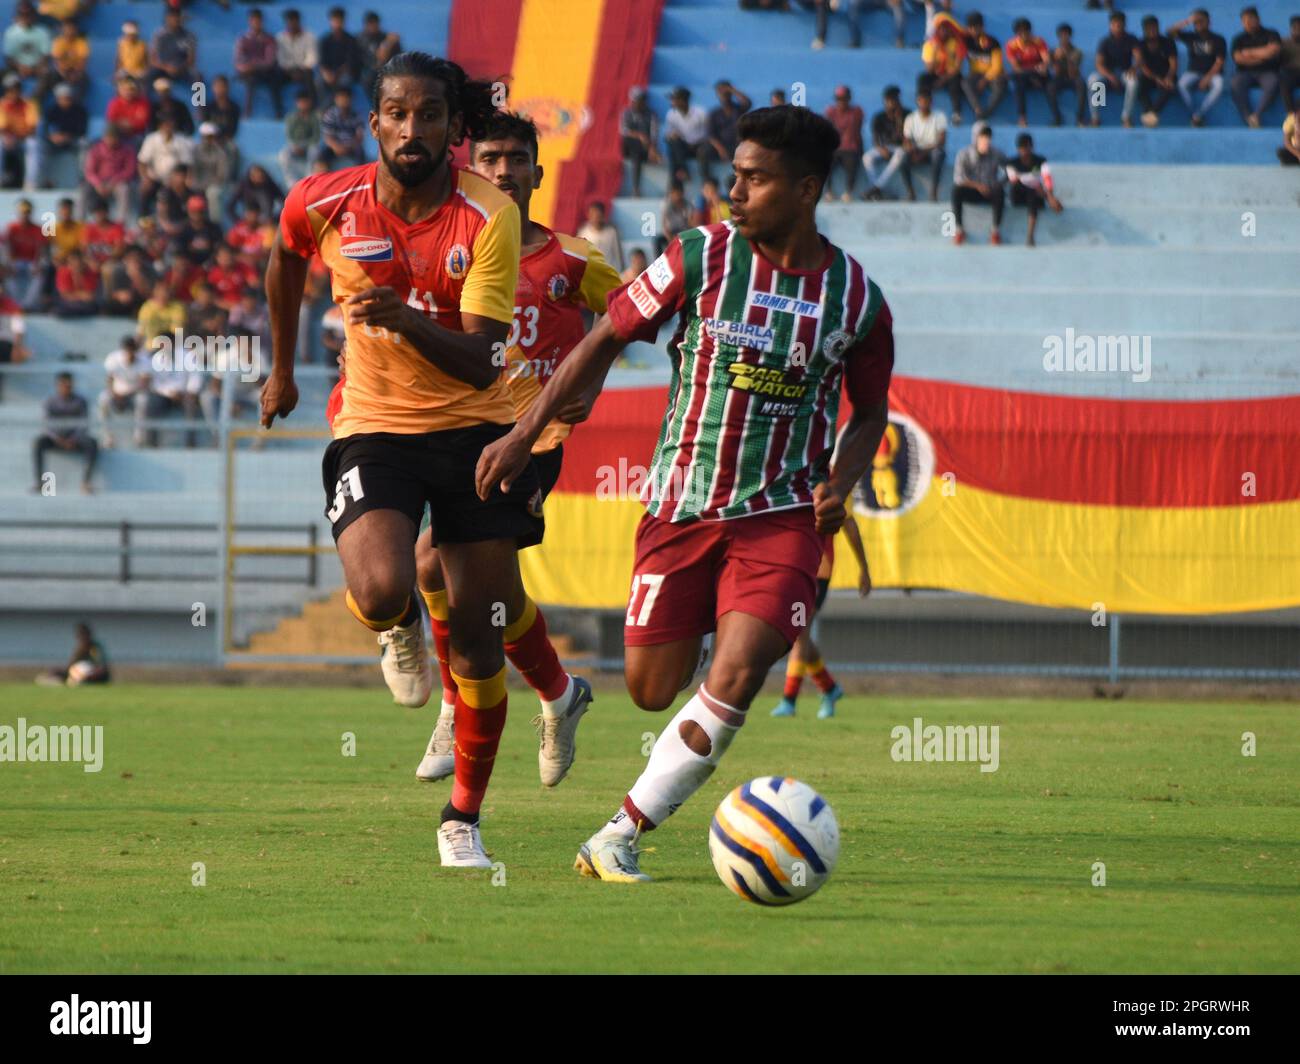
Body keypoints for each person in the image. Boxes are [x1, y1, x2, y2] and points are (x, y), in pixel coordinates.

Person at [474, 105, 894, 884]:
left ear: (805, 190)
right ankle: (713, 619)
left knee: (732, 679)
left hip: (781, 517)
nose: (732, 188)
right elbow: (604, 335)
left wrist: (841, 481)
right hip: (680, 506)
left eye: (753, 177)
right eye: (732, 172)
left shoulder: (856, 301)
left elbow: (870, 414)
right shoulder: (698, 255)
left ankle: (617, 835)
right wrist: (525, 432)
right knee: (650, 689)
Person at [261, 53, 547, 869]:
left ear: (456, 131)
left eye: (430, 116)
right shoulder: (323, 201)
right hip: (375, 426)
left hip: (477, 433)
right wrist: (282, 370)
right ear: (374, 121)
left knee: (483, 642)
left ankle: (463, 818)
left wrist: (402, 318)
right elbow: (284, 257)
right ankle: (397, 627)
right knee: (384, 586)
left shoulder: (488, 216)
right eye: (397, 113)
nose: (412, 129)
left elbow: (484, 358)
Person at [408, 111, 620, 788]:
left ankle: (456, 703)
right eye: (490, 159)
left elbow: (625, 318)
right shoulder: (460, 248)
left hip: (535, 435)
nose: (503, 171)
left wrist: (588, 384)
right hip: (465, 429)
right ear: (475, 169)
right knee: (475, 583)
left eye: (515, 159)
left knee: (437, 564)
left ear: (537, 171)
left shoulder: (574, 257)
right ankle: (559, 693)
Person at [770, 522, 871, 718]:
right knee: (800, 634)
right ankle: (829, 688)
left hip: (817, 574)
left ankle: (789, 700)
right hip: (795, 571)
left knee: (800, 632)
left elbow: (851, 527)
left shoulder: (836, 492)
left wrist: (864, 569)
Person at [33, 371, 96, 492]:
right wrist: (58, 438)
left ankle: (86, 482)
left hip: (75, 439)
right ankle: (39, 482)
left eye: (69, 385)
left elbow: (84, 424)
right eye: (64, 385)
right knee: (38, 442)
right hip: (55, 439)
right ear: (58, 385)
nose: (67, 388)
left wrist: (74, 438)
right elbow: (46, 425)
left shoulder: (80, 401)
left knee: (92, 443)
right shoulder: (50, 401)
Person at [1169, 9, 1227, 126]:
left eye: (1201, 21)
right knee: (1181, 85)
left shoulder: (1218, 39)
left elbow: (1220, 61)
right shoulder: (1190, 36)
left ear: (1208, 22)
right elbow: (1170, 32)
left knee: (1219, 85)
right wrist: (1188, 21)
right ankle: (1195, 113)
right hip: (1193, 72)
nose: (1198, 24)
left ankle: (1199, 114)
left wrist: (1207, 78)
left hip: (1213, 73)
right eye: (1196, 22)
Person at [951, 121, 1005, 245]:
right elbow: (958, 178)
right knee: (956, 190)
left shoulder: (997, 154)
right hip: (972, 191)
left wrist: (997, 183)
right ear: (975, 137)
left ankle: (995, 230)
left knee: (1000, 191)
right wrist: (978, 186)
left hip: (989, 191)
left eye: (988, 136)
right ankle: (959, 229)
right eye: (982, 136)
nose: (985, 139)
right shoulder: (963, 154)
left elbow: (1007, 172)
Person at [1005, 132, 1064, 246]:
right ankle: (1030, 236)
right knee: (1031, 190)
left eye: (1028, 147)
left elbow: (1047, 178)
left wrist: (1050, 196)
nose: (1025, 151)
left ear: (1032, 147)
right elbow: (1014, 180)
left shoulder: (1040, 161)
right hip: (1018, 196)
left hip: (1037, 196)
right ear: (1018, 149)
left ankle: (1030, 235)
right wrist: (1038, 187)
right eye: (1022, 148)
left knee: (1033, 194)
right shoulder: (1012, 163)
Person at [1230, 6, 1282, 128]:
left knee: (1274, 83)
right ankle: (1248, 117)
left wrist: (1248, 52)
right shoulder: (1238, 38)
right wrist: (1262, 57)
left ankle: (1256, 115)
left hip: (1268, 72)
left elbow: (1273, 51)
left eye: (1250, 19)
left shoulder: (1271, 33)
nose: (1247, 23)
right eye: (1244, 21)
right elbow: (1238, 58)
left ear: (1258, 19)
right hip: (1245, 73)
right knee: (1235, 84)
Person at [1089, 10, 1142, 127]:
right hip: (1107, 74)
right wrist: (1110, 77)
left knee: (1133, 83)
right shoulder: (1105, 41)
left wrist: (1134, 68)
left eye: (1120, 24)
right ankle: (1095, 117)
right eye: (1114, 24)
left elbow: (1138, 58)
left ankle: (1126, 117)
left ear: (1124, 24)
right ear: (1110, 25)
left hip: (1125, 72)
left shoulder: (1131, 39)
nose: (1117, 27)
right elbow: (1099, 64)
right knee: (1094, 81)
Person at [98, 334, 151, 447]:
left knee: (142, 400)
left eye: (132, 350)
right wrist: (114, 392)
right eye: (127, 350)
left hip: (134, 391)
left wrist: (129, 393)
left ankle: (139, 437)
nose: (129, 353)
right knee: (103, 399)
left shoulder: (143, 359)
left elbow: (144, 382)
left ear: (135, 350)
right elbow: (110, 379)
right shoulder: (113, 358)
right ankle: (108, 436)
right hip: (116, 391)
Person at [901, 87, 947, 201]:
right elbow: (906, 140)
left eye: (927, 101)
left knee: (938, 155)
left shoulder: (940, 116)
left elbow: (941, 141)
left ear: (931, 102)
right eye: (921, 100)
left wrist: (923, 153)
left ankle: (934, 193)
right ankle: (910, 192)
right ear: (917, 101)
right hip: (917, 150)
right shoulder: (911, 118)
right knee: (903, 159)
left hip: (932, 150)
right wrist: (911, 149)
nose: (924, 103)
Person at [234, 7, 281, 119]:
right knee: (250, 80)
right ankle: (247, 112)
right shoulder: (242, 39)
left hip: (265, 72)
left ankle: (278, 112)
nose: (256, 23)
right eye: (254, 21)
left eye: (258, 21)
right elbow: (238, 60)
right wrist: (245, 67)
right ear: (250, 21)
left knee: (276, 79)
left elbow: (269, 61)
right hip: (248, 73)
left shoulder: (269, 39)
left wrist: (252, 65)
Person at [921, 10, 968, 124]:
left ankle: (957, 113)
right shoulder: (930, 45)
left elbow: (958, 67)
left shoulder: (957, 43)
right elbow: (929, 69)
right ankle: (924, 108)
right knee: (922, 79)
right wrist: (935, 51)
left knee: (956, 81)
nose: (944, 32)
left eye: (946, 29)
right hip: (936, 74)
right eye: (941, 29)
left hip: (951, 75)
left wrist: (943, 79)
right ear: (937, 30)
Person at [862, 84, 908, 199]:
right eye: (889, 100)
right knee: (867, 157)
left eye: (894, 100)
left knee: (900, 154)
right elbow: (875, 138)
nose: (892, 103)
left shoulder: (907, 114)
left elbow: (906, 138)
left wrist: (899, 119)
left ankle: (876, 187)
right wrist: (880, 148)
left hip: (900, 148)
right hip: (884, 147)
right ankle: (877, 189)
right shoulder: (879, 117)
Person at [1005, 18, 1052, 127]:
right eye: (1021, 32)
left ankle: (1056, 117)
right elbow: (1016, 67)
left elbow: (1046, 60)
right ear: (1017, 34)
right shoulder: (1011, 45)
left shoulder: (1039, 42)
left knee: (1050, 83)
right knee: (1017, 83)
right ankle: (1022, 117)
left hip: (1039, 75)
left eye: (1027, 31)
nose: (1024, 35)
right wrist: (1031, 74)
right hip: (1023, 76)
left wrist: (1043, 67)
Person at [962, 12, 1007, 122]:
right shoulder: (965, 41)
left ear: (982, 27)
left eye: (976, 27)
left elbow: (997, 67)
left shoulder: (993, 42)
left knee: (1000, 87)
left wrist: (985, 80)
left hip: (993, 75)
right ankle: (977, 110)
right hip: (975, 74)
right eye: (971, 28)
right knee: (965, 83)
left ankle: (987, 112)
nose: (973, 31)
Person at [1137, 15, 1178, 127]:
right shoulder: (1140, 44)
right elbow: (1142, 66)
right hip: (1150, 76)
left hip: (1166, 74)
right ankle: (1148, 111)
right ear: (1144, 30)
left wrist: (1168, 77)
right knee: (1139, 86)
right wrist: (1156, 78)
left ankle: (1153, 112)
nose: (1152, 31)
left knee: (1169, 87)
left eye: (1154, 28)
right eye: (1149, 28)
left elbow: (1173, 64)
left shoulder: (1168, 42)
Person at [664, 86, 712, 183]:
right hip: (683, 146)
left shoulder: (700, 112)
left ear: (683, 100)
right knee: (672, 144)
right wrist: (671, 135)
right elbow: (669, 134)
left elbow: (709, 133)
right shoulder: (671, 114)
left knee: (704, 151)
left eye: (674, 99)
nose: (672, 102)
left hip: (700, 144)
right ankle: (682, 174)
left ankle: (706, 181)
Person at [824, 84, 864, 201]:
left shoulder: (856, 112)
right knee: (825, 165)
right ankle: (829, 192)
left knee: (852, 166)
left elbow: (857, 130)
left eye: (844, 98)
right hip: (835, 148)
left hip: (850, 148)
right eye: (838, 99)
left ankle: (848, 192)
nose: (841, 101)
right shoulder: (831, 112)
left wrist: (861, 150)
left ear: (849, 98)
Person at [37, 623, 110, 685]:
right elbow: (70, 667)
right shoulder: (79, 650)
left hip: (95, 678)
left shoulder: (95, 648)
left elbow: (102, 669)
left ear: (89, 635)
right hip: (79, 677)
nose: (82, 639)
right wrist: (58, 671)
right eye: (80, 636)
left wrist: (87, 675)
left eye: (84, 636)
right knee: (59, 674)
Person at [0, 74, 39, 189]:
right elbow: (2, 127)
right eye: (10, 89)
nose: (13, 92)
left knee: (33, 144)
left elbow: (32, 128)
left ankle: (30, 182)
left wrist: (17, 137)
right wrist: (9, 138)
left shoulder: (28, 104)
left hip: (23, 139)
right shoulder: (2, 104)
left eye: (16, 89)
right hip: (6, 140)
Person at [316, 7, 362, 106]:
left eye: (340, 21)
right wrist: (326, 73)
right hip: (329, 73)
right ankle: (324, 109)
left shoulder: (351, 40)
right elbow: (321, 61)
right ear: (330, 22)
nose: (337, 24)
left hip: (344, 72)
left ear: (344, 22)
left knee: (345, 81)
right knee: (319, 81)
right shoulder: (325, 40)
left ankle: (342, 108)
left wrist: (337, 74)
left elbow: (351, 61)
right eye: (335, 21)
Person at [707, 80, 752, 178]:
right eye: (720, 92)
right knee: (703, 151)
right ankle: (708, 181)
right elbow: (711, 135)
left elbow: (748, 102)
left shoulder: (739, 109)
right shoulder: (714, 113)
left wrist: (732, 90)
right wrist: (721, 150)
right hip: (721, 147)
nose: (723, 94)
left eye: (725, 92)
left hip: (738, 145)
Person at [619, 86, 658, 197]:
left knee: (636, 155)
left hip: (644, 148)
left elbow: (654, 133)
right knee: (630, 142)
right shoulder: (626, 113)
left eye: (641, 101)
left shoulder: (651, 114)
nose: (638, 104)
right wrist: (639, 136)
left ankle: (636, 188)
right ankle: (636, 188)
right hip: (630, 146)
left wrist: (652, 148)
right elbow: (623, 130)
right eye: (636, 101)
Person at [147, 8, 198, 88]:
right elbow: (152, 59)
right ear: (167, 18)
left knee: (198, 79)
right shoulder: (159, 35)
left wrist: (179, 68)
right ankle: (144, 100)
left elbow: (191, 60)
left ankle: (200, 100)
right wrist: (166, 67)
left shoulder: (189, 36)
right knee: (146, 77)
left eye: (177, 17)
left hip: (181, 68)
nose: (175, 20)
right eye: (172, 17)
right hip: (162, 68)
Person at [280, 88, 320, 186]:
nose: (303, 104)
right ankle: (291, 182)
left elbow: (316, 136)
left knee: (314, 152)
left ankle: (310, 178)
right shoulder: (291, 117)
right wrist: (295, 146)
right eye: (301, 102)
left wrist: (304, 146)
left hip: (309, 145)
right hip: (295, 145)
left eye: (305, 101)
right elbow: (289, 135)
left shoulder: (315, 117)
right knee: (284, 155)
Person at [318, 85, 365, 169]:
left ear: (351, 99)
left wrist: (350, 146)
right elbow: (328, 137)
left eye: (346, 97)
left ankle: (362, 180)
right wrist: (336, 147)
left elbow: (359, 136)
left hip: (352, 147)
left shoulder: (357, 116)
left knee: (361, 155)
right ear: (336, 99)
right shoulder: (330, 115)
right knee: (321, 157)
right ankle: (322, 180)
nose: (344, 100)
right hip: (334, 147)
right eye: (341, 97)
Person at [276, 8, 317, 104]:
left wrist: (302, 69)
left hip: (304, 70)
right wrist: (291, 71)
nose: (292, 24)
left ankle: (313, 106)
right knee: (274, 78)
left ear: (299, 21)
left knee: (310, 77)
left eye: (294, 21)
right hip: (286, 71)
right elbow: (280, 58)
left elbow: (312, 57)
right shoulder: (280, 38)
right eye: (290, 21)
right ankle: (278, 109)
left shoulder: (309, 36)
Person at [0, 274, 30, 398]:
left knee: (22, 354)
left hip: (6, 345)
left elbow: (19, 329)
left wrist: (17, 348)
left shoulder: (11, 306)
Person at [576, 200, 623, 273]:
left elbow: (618, 255)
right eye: (592, 215)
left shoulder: (611, 232)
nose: (595, 218)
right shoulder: (583, 232)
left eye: (598, 216)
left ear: (603, 216)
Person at [658, 178, 691, 254]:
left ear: (682, 193)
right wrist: (670, 239)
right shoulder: (666, 204)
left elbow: (689, 223)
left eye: (678, 194)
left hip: (683, 232)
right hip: (670, 233)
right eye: (673, 193)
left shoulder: (687, 205)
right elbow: (664, 225)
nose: (676, 196)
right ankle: (660, 261)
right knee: (657, 240)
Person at [1281, 15, 1300, 111]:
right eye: (1295, 27)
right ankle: (1291, 114)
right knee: (1284, 84)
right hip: (1290, 73)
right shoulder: (1283, 42)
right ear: (1291, 28)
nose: (1297, 30)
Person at [1280, 99, 1300, 164]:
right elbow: (1287, 142)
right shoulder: (1290, 120)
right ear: (1296, 112)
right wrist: (1298, 154)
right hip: (1296, 148)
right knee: (1281, 153)